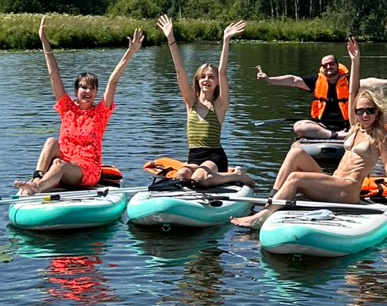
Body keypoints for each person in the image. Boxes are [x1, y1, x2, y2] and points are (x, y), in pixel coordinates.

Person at [233, 39, 387, 229]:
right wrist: (355, 61)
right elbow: (352, 92)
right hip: (334, 182)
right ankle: (273, 199)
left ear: (376, 112)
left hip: (347, 190)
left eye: (369, 110)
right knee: (296, 152)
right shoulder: (356, 127)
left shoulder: (380, 135)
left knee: (296, 178)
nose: (364, 114)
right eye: (360, 111)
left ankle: (262, 216)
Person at [16, 16, 146, 194]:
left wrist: (130, 53)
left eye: (92, 88)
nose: (88, 91)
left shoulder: (101, 112)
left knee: (59, 164)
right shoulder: (67, 108)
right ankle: (38, 178)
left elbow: (113, 81)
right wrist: (44, 41)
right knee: (51, 142)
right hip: (62, 163)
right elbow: (54, 74)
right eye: (83, 87)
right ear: (76, 90)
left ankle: (36, 187)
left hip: (86, 170)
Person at [155, 14, 249, 185]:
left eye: (211, 77)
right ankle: (214, 177)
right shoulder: (191, 102)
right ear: (198, 80)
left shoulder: (220, 105)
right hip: (194, 157)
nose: (206, 80)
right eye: (203, 77)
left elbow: (223, 72)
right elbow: (180, 71)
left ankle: (237, 175)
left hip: (215, 157)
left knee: (199, 177)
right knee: (182, 175)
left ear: (216, 82)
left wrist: (226, 41)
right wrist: (171, 38)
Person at [256, 50, 352, 143]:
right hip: (321, 126)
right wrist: (269, 80)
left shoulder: (350, 82)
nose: (328, 67)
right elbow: (293, 80)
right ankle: (335, 135)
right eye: (325, 65)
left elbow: (366, 83)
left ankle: (345, 134)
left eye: (331, 64)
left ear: (337, 65)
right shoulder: (315, 81)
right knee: (299, 126)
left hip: (346, 125)